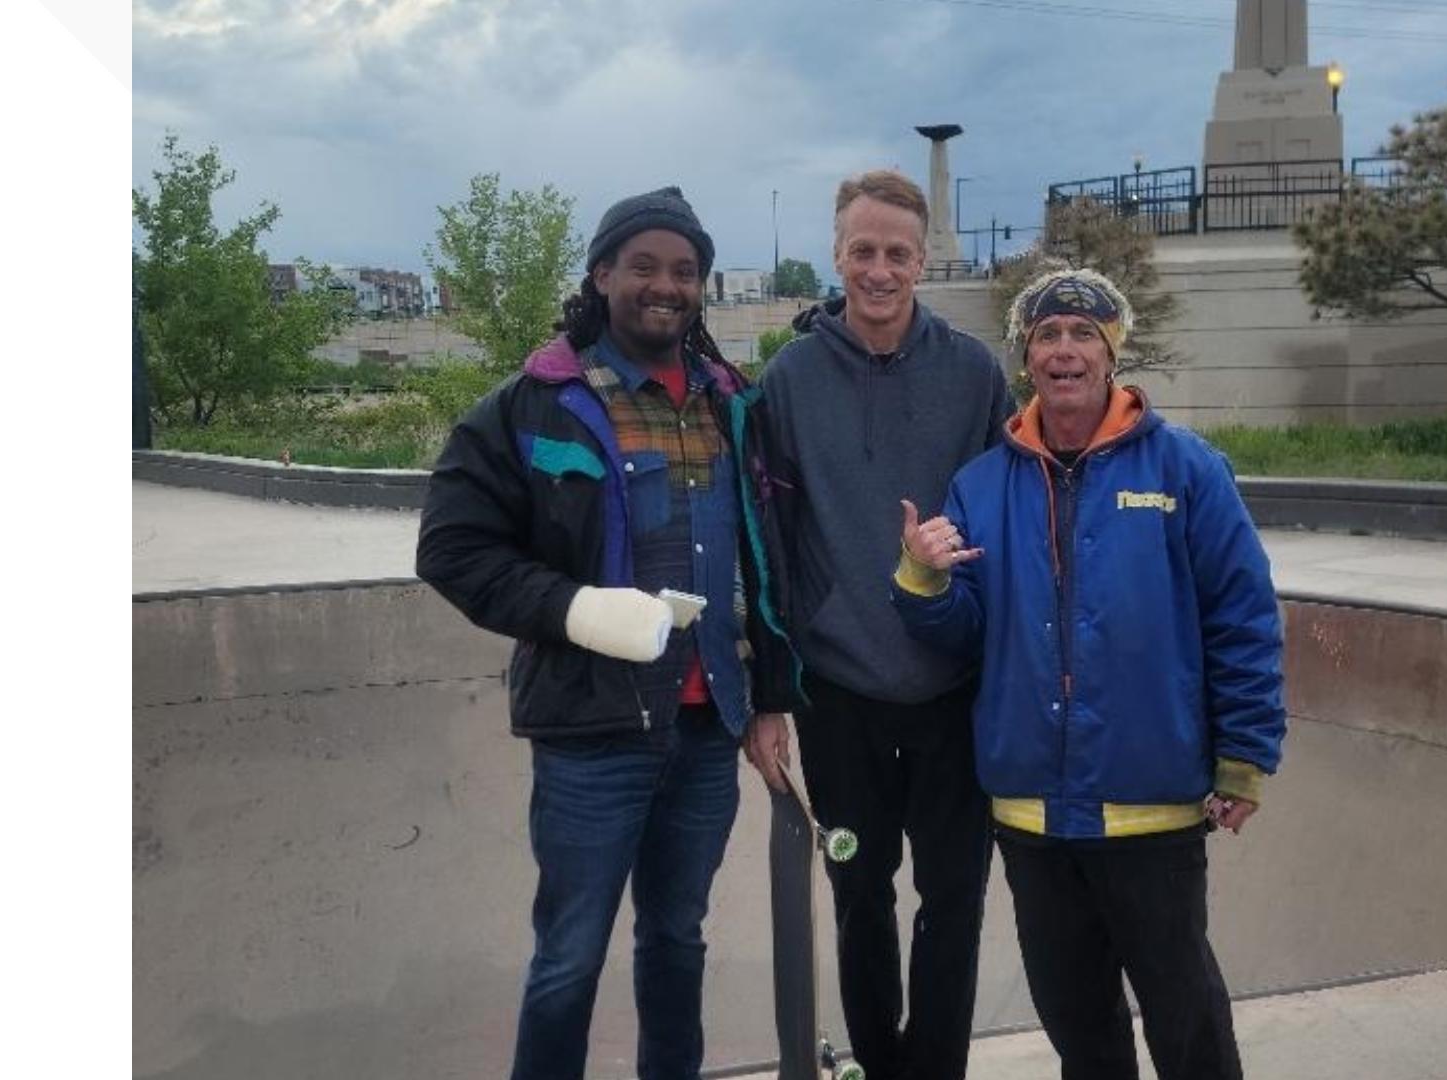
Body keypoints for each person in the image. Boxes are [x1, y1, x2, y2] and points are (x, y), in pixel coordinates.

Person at [415, 186, 801, 1080]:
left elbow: (769, 556)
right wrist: (578, 610)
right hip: (592, 735)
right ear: (601, 275)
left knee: (677, 941)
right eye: (644, 267)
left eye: (684, 271)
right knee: (569, 956)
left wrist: (771, 698)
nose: (665, 286)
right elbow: (452, 550)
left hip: (708, 730)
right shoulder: (529, 407)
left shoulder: (730, 405)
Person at [889, 267, 1287, 1080]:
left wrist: (1244, 755)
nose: (1064, 351)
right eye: (1046, 335)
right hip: (1033, 814)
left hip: (1153, 807)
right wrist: (922, 579)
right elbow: (965, 633)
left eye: (1082, 335)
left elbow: (1242, 615)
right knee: (1080, 1030)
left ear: (1111, 356)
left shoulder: (1185, 469)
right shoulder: (981, 484)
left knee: (1188, 1025)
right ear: (1025, 357)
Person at [741, 169, 1014, 1080]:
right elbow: (768, 542)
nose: (881, 270)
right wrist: (770, 688)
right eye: (863, 251)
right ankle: (877, 1066)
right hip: (842, 695)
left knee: (954, 901)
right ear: (837, 255)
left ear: (923, 259)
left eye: (898, 253)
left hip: (950, 691)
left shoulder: (974, 373)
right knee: (861, 893)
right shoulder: (790, 380)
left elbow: (1010, 521)